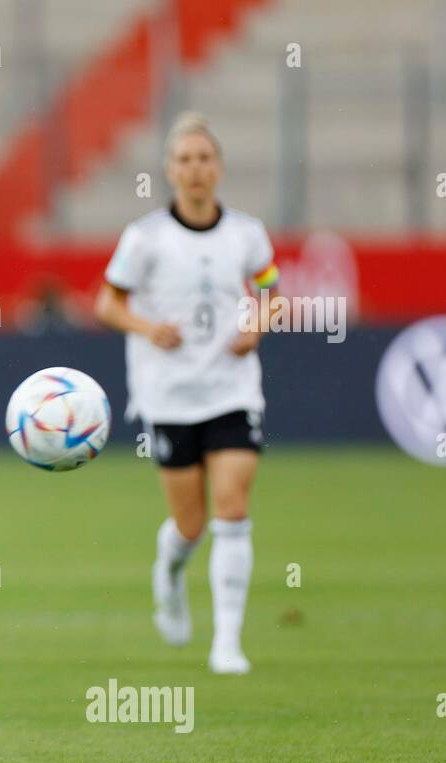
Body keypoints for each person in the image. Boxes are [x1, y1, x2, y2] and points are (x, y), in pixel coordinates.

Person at [94, 112, 280, 675]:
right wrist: (149, 329)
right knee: (191, 524)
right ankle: (170, 572)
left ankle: (227, 642)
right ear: (170, 171)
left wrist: (259, 323)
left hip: (232, 390)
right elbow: (107, 304)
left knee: (233, 508)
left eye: (204, 159)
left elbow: (272, 290)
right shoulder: (145, 237)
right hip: (169, 394)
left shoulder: (247, 233)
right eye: (184, 160)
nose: (195, 170)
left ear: (218, 167)